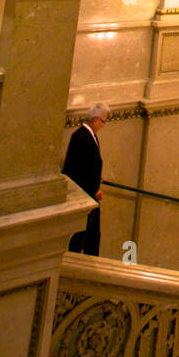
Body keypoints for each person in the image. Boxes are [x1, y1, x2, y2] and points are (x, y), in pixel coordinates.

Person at [62, 104, 109, 255]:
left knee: (92, 236)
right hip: (86, 196)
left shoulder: (89, 136)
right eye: (103, 121)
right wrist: (94, 189)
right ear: (95, 120)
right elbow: (77, 170)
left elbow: (90, 164)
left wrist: (97, 178)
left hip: (90, 195)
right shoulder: (82, 137)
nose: (103, 125)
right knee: (81, 237)